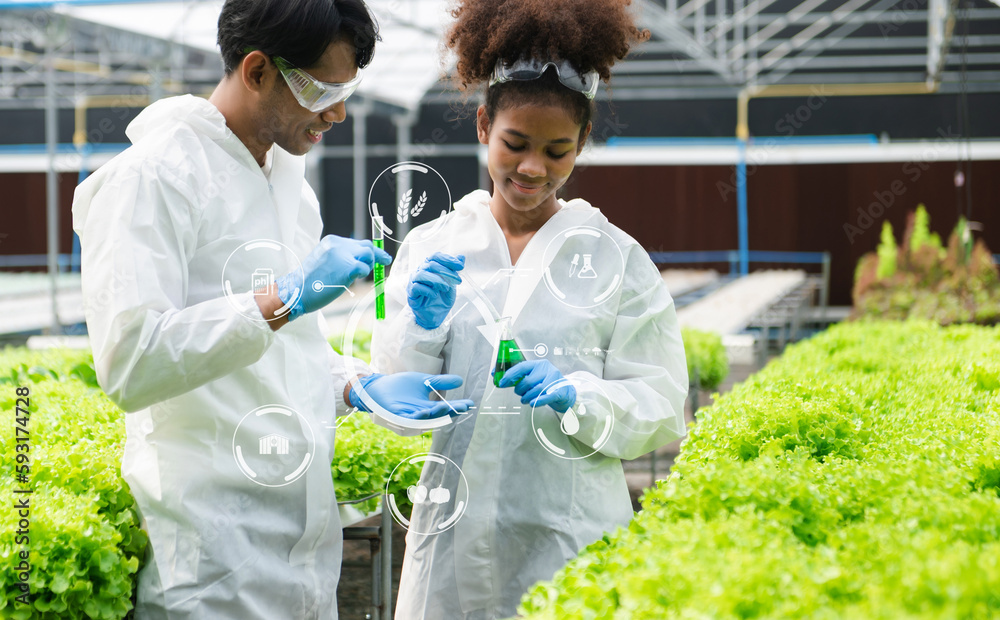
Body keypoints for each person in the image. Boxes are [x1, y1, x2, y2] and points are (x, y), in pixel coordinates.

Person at [72, 0, 471, 618]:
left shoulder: (288, 180)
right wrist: (281, 298)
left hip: (303, 549)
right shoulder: (153, 178)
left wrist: (358, 386)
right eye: (322, 91)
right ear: (257, 71)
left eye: (348, 89)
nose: (337, 112)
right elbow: (132, 363)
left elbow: (286, 348)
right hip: (211, 559)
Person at [369, 0, 688, 617]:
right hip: (451, 548)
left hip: (566, 541)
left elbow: (659, 408)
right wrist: (418, 328)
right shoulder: (432, 247)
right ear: (483, 125)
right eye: (515, 143)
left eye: (557, 151)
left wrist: (581, 395)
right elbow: (395, 405)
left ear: (582, 143)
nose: (533, 168)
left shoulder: (616, 260)